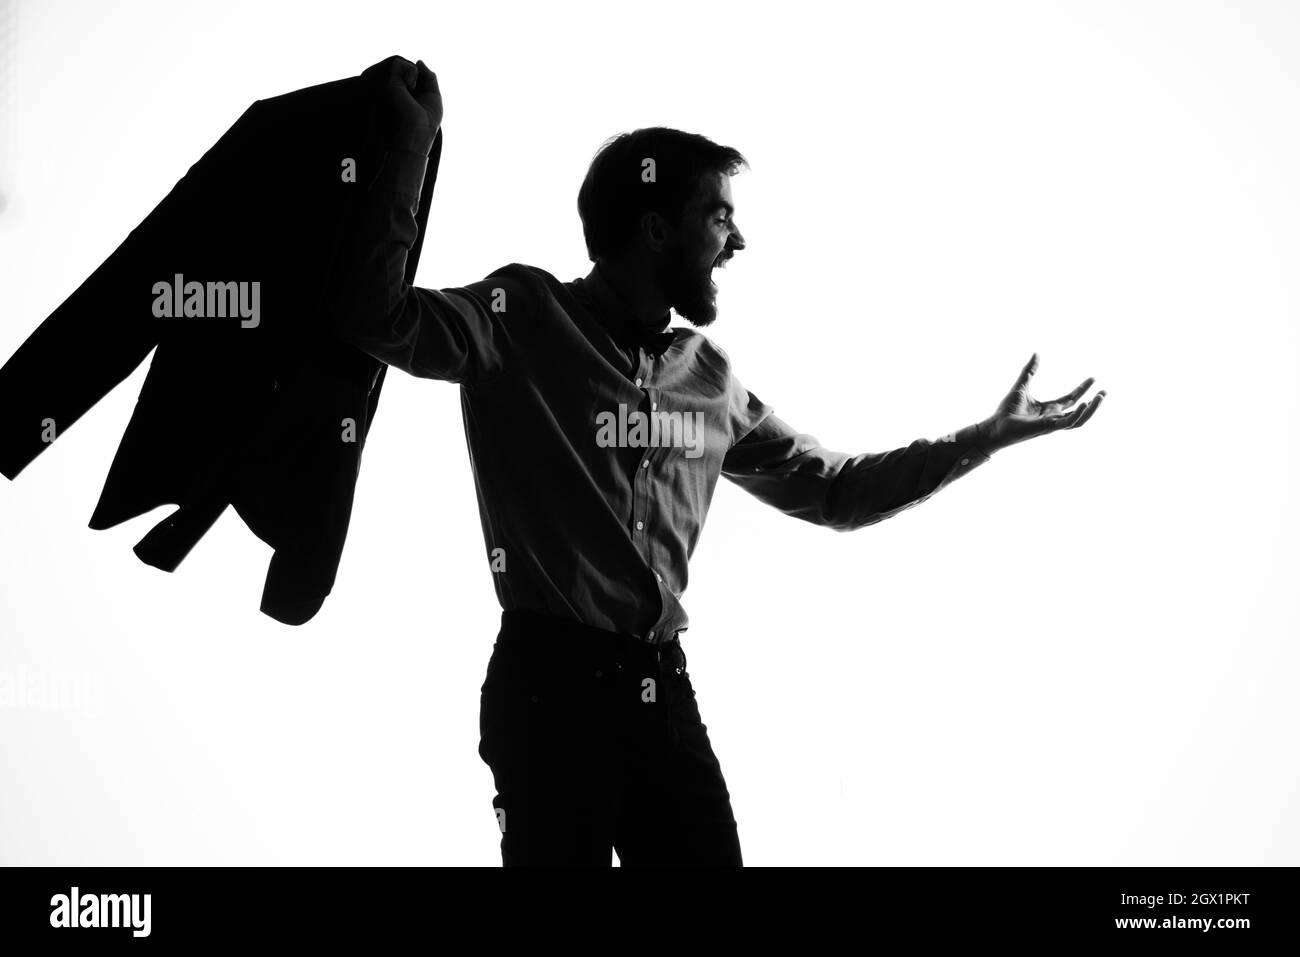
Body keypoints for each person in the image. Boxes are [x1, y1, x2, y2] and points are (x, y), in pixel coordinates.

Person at [327, 56, 1106, 866]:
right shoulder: (520, 315)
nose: (736, 240)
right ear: (656, 228)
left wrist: (981, 437)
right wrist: (409, 148)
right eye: (718, 216)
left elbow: (833, 491)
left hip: (660, 690)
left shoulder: (710, 378)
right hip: (548, 688)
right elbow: (375, 314)